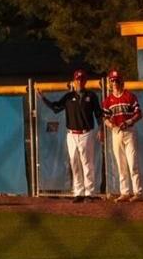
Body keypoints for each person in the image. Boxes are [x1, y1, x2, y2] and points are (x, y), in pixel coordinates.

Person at [37, 69, 103, 202]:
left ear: (85, 81)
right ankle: (78, 192)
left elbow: (98, 113)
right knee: (74, 162)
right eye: (78, 79)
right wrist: (43, 98)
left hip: (86, 133)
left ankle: (89, 193)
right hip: (71, 134)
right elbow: (56, 108)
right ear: (74, 81)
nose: (80, 81)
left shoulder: (91, 95)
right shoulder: (68, 97)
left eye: (82, 79)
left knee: (87, 163)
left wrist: (101, 128)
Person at [102, 70, 142, 202]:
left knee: (132, 162)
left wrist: (128, 122)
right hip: (116, 132)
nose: (114, 83)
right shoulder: (108, 100)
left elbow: (138, 113)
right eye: (112, 81)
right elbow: (105, 118)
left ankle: (138, 192)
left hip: (129, 131)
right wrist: (112, 126)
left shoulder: (129, 96)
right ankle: (124, 192)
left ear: (121, 82)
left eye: (117, 80)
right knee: (121, 164)